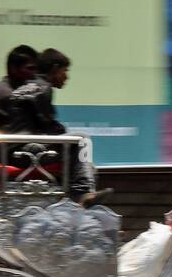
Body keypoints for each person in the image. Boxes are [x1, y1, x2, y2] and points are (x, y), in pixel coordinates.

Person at [8, 48, 111, 207]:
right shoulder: (42, 88)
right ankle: (82, 193)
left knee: (80, 158)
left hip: (17, 150)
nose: (66, 77)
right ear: (55, 69)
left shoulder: (28, 86)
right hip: (28, 151)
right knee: (82, 139)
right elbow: (49, 126)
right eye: (65, 71)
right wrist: (63, 132)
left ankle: (78, 194)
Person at [0, 44, 38, 133]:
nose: (34, 73)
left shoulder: (21, 89)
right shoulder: (6, 94)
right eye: (30, 68)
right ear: (13, 68)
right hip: (6, 144)